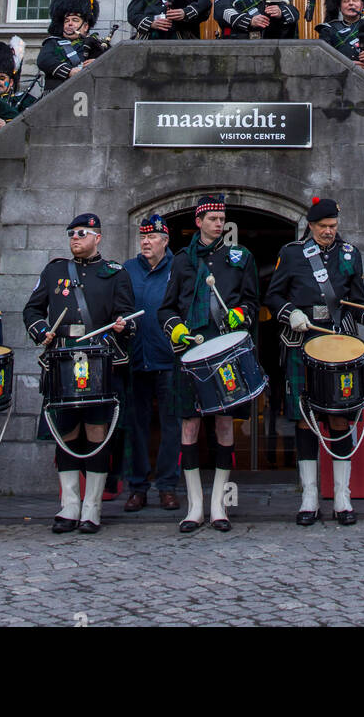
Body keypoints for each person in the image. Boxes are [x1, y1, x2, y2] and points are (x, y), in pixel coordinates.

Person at [266, 196, 364, 525]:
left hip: (340, 346)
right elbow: (273, 295)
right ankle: (309, 497)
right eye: (323, 228)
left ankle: (342, 497)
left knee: (338, 418)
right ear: (311, 225)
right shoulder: (291, 254)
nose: (329, 233)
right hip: (302, 344)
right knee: (305, 419)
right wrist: (289, 313)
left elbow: (357, 304)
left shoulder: (350, 255)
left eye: (333, 227)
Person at [23, 213, 135, 535]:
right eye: (71, 233)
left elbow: (128, 316)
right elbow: (32, 309)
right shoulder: (55, 270)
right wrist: (41, 330)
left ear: (97, 237)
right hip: (61, 363)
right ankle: (69, 506)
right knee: (67, 433)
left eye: (82, 233)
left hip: (99, 364)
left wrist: (122, 325)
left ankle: (92, 508)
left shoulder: (115, 274)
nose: (75, 238)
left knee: (97, 434)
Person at [158, 194, 259, 533]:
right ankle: (194, 506)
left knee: (225, 425)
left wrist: (239, 314)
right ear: (198, 221)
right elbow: (166, 309)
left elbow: (251, 303)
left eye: (222, 218)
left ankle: (218, 505)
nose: (219, 223)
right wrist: (178, 329)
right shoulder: (182, 261)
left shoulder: (240, 257)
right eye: (213, 218)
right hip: (190, 354)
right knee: (189, 426)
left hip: (225, 352)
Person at [122, 212, 181, 512]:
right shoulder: (128, 269)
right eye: (143, 236)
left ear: (165, 240)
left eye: (152, 236)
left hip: (169, 359)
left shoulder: (178, 267)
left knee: (172, 425)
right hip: (136, 357)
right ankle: (138, 487)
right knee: (137, 425)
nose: (146, 241)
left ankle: (168, 485)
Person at [37, 0, 106, 94]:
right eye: (66, 20)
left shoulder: (96, 45)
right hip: (55, 97)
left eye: (75, 20)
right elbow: (44, 60)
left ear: (85, 26)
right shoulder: (53, 43)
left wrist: (99, 63)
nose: (70, 23)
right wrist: (69, 71)